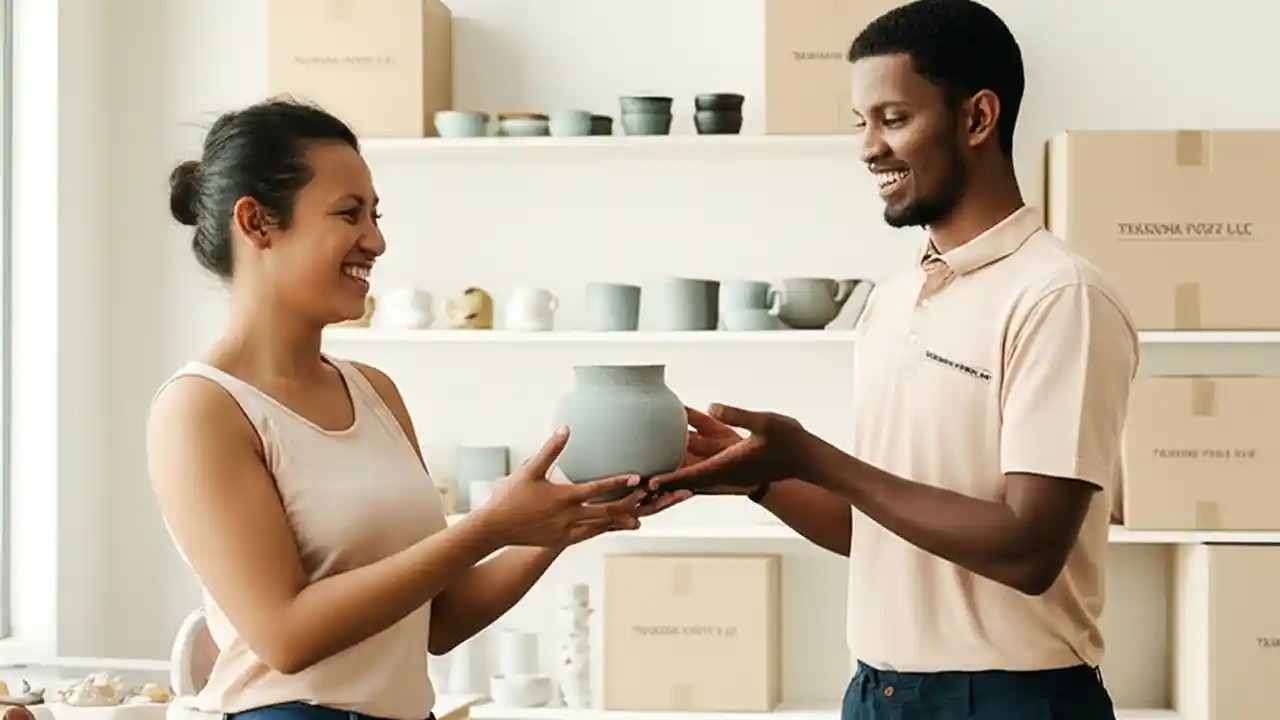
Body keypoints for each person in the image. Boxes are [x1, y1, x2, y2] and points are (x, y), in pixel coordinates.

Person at [652, 1, 1138, 718]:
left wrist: (812, 456)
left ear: (976, 119)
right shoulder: (892, 301)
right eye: (861, 123)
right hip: (874, 694)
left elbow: (1029, 550)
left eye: (893, 118)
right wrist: (763, 477)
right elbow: (877, 532)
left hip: (1011, 703)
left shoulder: (1058, 295)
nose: (867, 148)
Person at [147, 99, 689, 720]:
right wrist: (487, 527)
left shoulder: (374, 392)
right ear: (257, 222)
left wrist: (567, 515)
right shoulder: (201, 410)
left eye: (375, 215)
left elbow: (441, 621)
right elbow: (285, 636)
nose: (375, 240)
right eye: (349, 214)